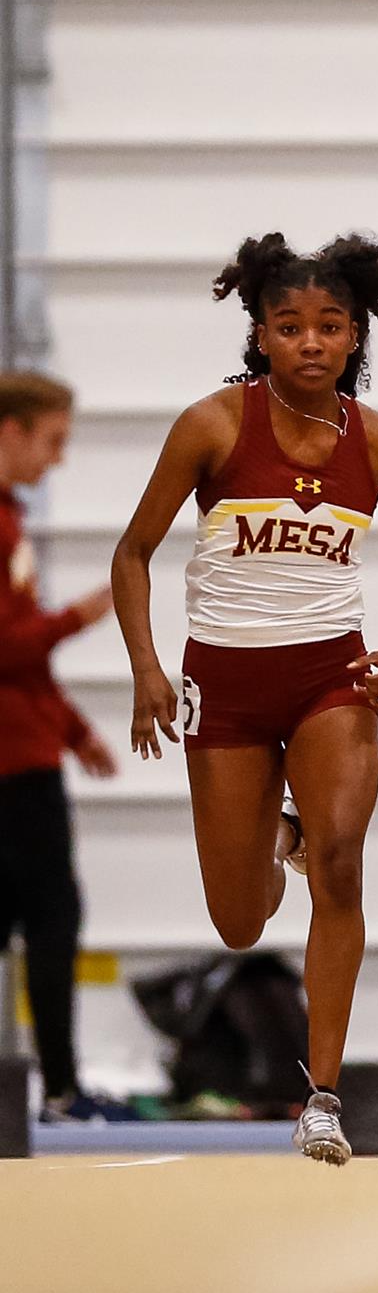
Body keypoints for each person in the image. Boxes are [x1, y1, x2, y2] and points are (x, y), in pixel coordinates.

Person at [110, 233, 378, 1164]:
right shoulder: (213, 426)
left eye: (329, 325)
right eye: (290, 325)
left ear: (355, 336)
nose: (310, 341)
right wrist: (146, 668)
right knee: (239, 921)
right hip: (223, 685)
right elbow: (132, 552)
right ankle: (276, 835)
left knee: (341, 860)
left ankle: (323, 1098)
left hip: (330, 680)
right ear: (260, 335)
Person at [0, 372, 119, 1120]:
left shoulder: (10, 521)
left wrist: (74, 730)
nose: (58, 459)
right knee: (53, 918)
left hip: (28, 746)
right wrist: (77, 616)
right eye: (53, 441)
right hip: (15, 764)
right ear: (11, 431)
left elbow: (22, 655)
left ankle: (61, 1087)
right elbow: (8, 647)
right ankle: (63, 1087)